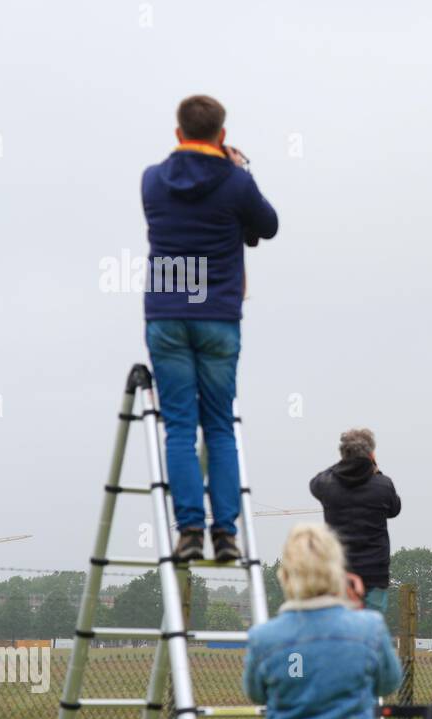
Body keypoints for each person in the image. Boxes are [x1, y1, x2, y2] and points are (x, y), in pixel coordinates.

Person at [143, 94, 279, 562]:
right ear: (222, 136)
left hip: (166, 314)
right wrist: (241, 170)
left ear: (178, 133)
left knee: (178, 428)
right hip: (218, 315)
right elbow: (269, 225)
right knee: (219, 426)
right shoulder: (235, 184)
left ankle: (188, 531)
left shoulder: (152, 182)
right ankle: (225, 532)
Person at [243, 524, 401, 719]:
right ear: (336, 570)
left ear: (286, 574)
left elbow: (255, 693)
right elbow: (388, 683)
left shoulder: (264, 637)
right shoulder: (368, 628)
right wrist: (358, 611)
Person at [310, 428, 402, 614]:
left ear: (343, 453)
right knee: (369, 632)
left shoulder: (326, 483)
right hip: (375, 572)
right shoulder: (383, 484)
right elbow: (395, 509)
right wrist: (375, 469)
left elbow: (314, 483)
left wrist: (342, 463)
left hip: (339, 571)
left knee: (340, 630)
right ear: (371, 454)